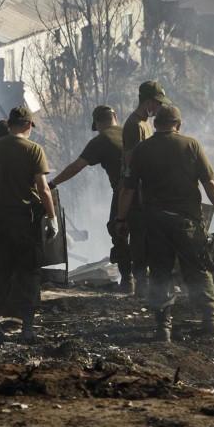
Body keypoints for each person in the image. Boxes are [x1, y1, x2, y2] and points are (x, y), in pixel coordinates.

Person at [116, 104, 214, 342]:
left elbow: (127, 190)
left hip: (154, 222)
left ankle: (163, 327)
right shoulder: (191, 145)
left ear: (155, 124)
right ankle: (211, 321)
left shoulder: (140, 150)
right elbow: (210, 182)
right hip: (187, 221)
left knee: (159, 272)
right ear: (178, 124)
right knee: (199, 268)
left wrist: (121, 219)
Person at [0, 106, 55, 345]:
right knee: (29, 272)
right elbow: (43, 189)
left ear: (9, 125)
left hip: (0, 220)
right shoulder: (34, 149)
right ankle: (27, 329)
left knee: (1, 270)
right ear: (29, 125)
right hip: (26, 221)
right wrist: (52, 218)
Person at [47, 105, 129, 290]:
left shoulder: (102, 139)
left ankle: (128, 281)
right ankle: (146, 282)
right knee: (140, 233)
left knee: (118, 229)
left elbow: (76, 167)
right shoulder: (131, 133)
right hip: (146, 190)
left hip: (123, 191)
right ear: (115, 117)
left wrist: (52, 183)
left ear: (98, 123)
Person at [119, 80, 172, 294]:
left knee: (148, 238)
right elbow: (133, 162)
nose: (159, 108)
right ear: (148, 102)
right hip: (138, 194)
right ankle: (141, 285)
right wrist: (140, 195)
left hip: (148, 192)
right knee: (139, 240)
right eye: (157, 103)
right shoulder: (134, 125)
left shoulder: (145, 123)